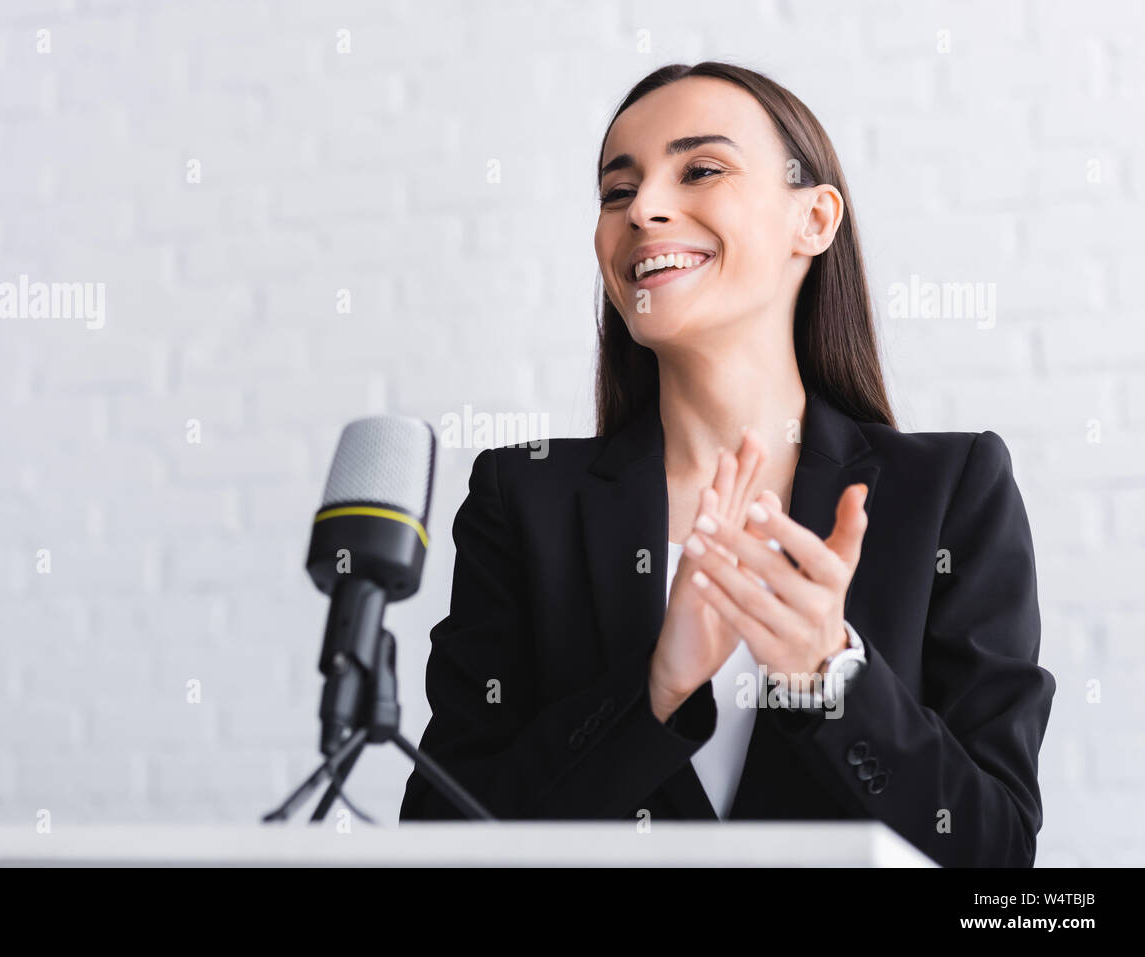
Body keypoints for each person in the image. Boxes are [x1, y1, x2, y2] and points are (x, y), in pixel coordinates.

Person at [399, 62, 1055, 868]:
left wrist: (832, 676)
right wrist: (655, 692)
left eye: (700, 169)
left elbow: (995, 859)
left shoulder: (951, 492)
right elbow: (440, 844)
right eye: (615, 191)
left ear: (812, 220)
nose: (643, 208)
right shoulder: (521, 500)